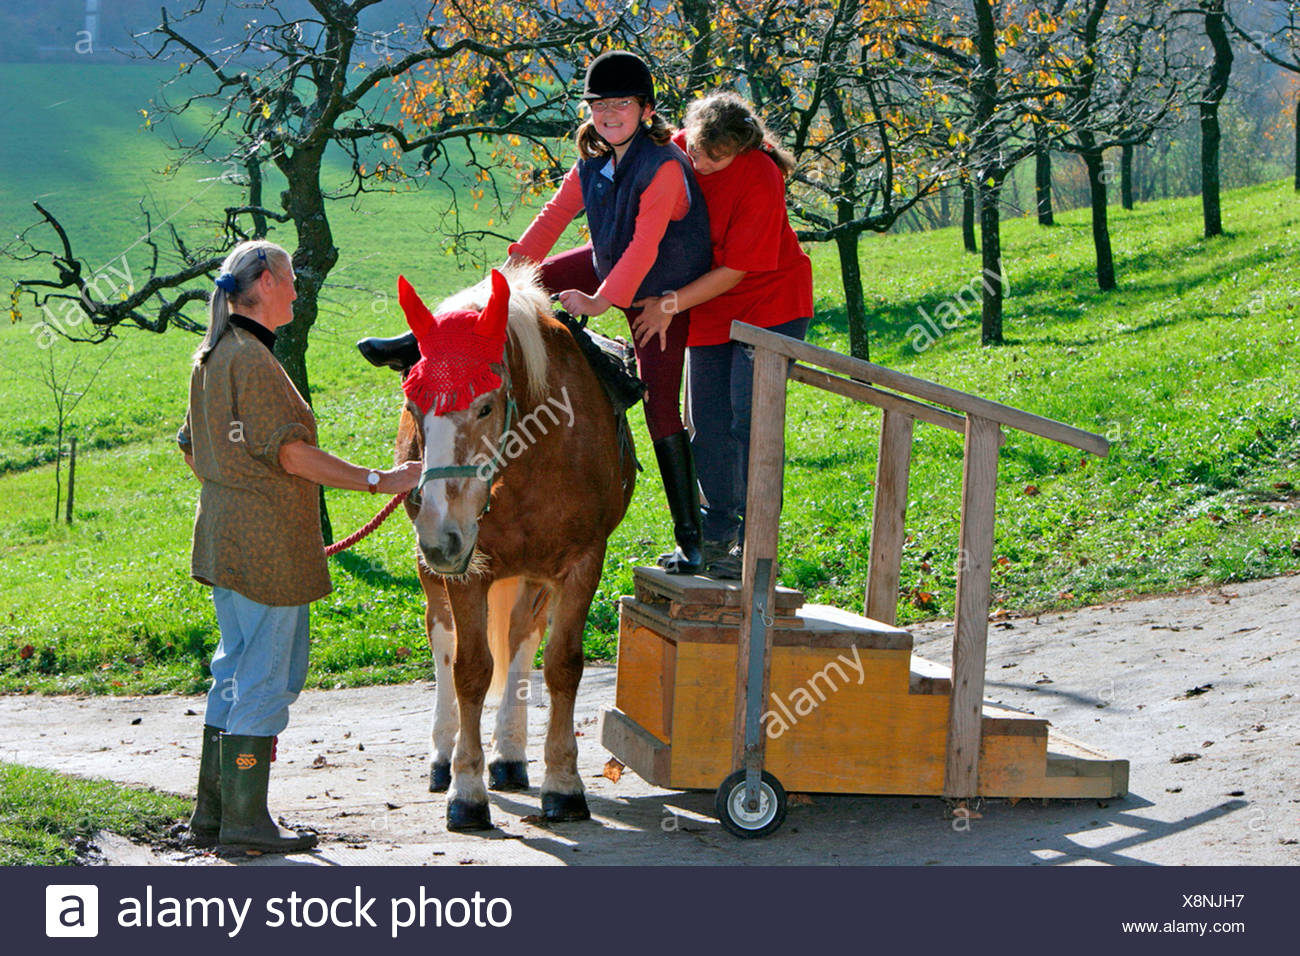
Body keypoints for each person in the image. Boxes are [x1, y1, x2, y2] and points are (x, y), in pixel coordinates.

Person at [176, 239, 420, 853]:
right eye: (287, 278)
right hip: (266, 547)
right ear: (260, 282)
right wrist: (381, 480)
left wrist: (233, 483)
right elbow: (290, 452)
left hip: (223, 535)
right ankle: (247, 826)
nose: (295, 288)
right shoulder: (252, 361)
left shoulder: (212, 354)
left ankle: (214, 816)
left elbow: (191, 445)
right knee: (266, 677)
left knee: (233, 669)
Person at [506, 50, 713, 574]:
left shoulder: (664, 167)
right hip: (611, 265)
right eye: (599, 105)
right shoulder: (594, 158)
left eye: (622, 103)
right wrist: (505, 275)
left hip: (657, 294)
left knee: (661, 405)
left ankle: (691, 539)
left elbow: (645, 249)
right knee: (522, 282)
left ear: (646, 109)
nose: (609, 114)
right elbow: (555, 214)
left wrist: (599, 302)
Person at [632, 92, 814, 579]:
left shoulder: (759, 175)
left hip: (770, 304)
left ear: (741, 148)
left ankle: (755, 549)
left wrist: (669, 304)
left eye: (717, 156)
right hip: (708, 307)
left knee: (748, 424)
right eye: (696, 149)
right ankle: (713, 540)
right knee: (706, 426)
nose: (702, 162)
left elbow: (736, 269)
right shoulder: (677, 153)